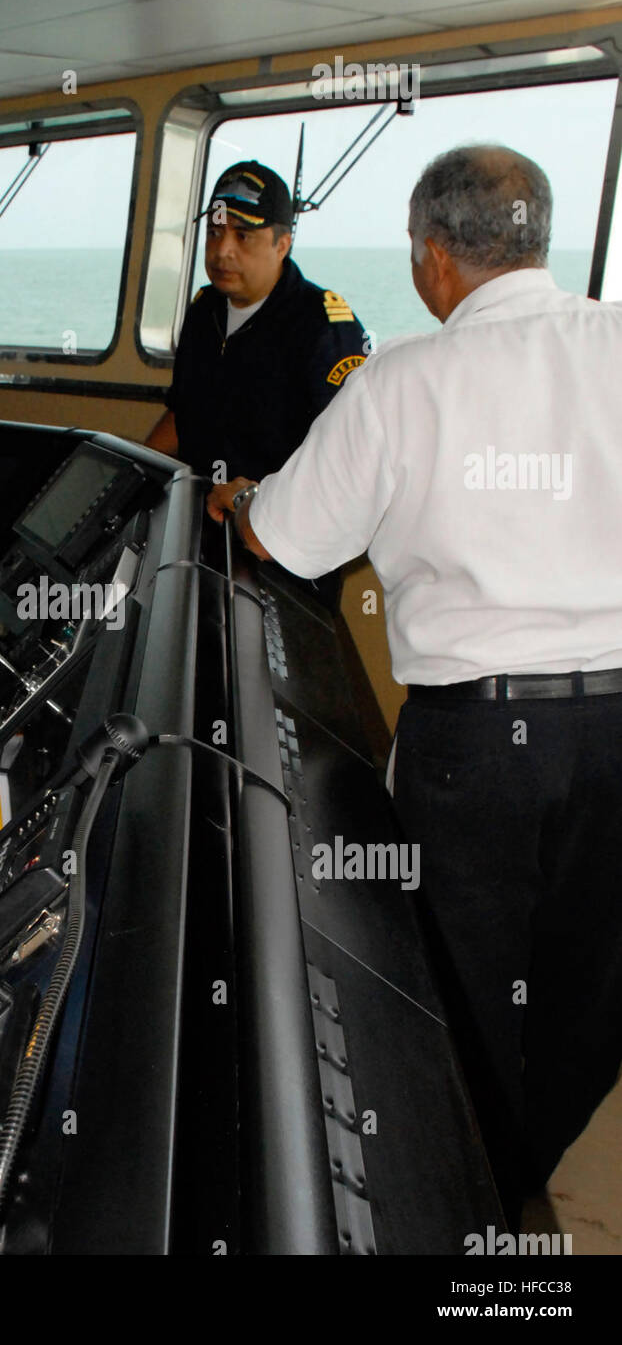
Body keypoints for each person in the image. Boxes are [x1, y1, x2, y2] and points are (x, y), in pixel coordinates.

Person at [208, 145, 622, 1228]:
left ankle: (473, 1193)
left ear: (434, 257)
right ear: (538, 241)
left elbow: (286, 540)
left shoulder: (403, 378)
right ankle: (533, 1166)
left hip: (475, 740)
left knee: (461, 985)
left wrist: (239, 508)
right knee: (595, 978)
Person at [144, 160, 370, 485]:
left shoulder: (324, 327)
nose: (223, 251)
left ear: (282, 245)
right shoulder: (204, 311)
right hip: (198, 507)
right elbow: (182, 412)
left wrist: (256, 503)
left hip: (272, 522)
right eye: (214, 232)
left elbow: (347, 456)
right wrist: (136, 474)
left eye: (243, 235)